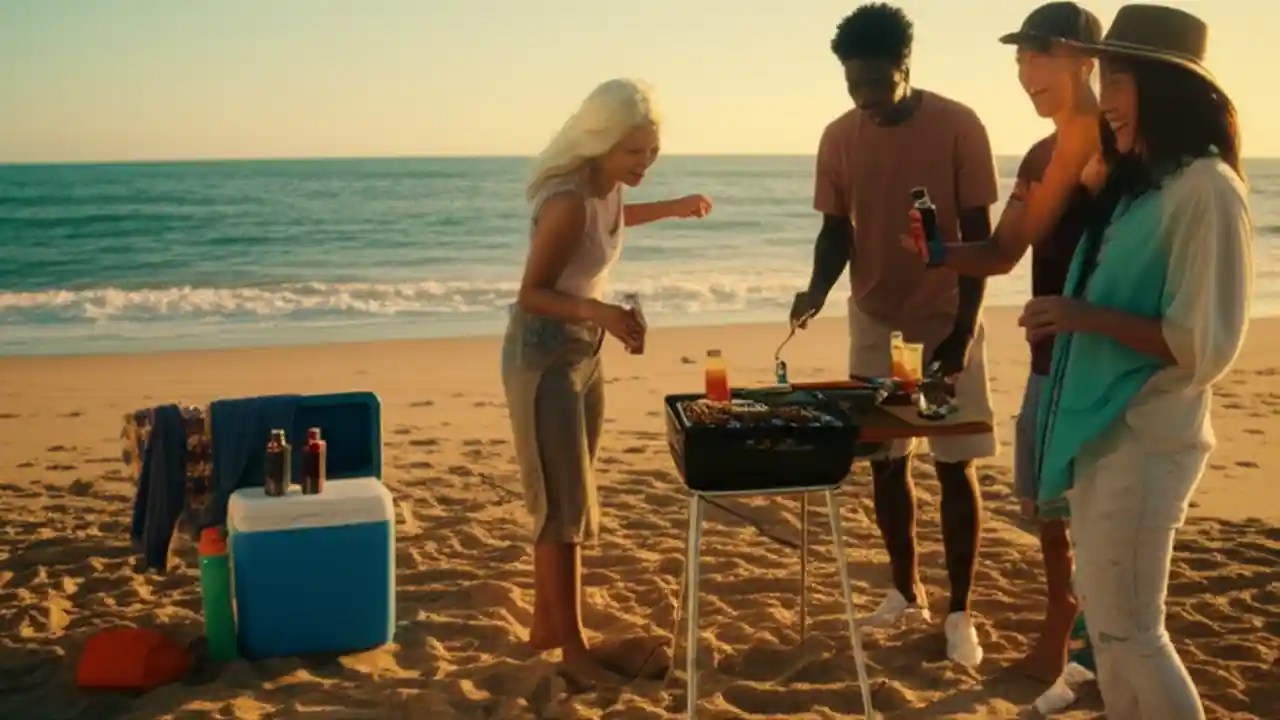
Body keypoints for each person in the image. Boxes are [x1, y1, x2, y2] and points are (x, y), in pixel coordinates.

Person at [1022, 5, 1252, 718]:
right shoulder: (1144, 185)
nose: (1107, 93)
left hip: (1149, 438)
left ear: (1166, 86)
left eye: (1121, 76)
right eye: (1105, 72)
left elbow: (1201, 344)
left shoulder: (1207, 189)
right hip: (1101, 436)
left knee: (1133, 634)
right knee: (1111, 642)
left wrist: (1082, 316)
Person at [791, 2, 999, 667]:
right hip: (875, 313)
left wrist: (963, 332)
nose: (866, 98)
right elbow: (835, 231)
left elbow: (979, 237)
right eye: (854, 85)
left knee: (953, 460)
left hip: (945, 314)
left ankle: (960, 610)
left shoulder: (960, 126)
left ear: (905, 69)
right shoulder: (840, 135)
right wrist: (817, 291)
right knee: (886, 458)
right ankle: (905, 591)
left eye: (877, 84)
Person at [904, 1, 1103, 682]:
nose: (1025, 71)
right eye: (1019, 58)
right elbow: (998, 252)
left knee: (1102, 518)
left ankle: (1080, 644)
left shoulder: (1123, 145)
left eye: (1038, 55)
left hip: (1109, 358)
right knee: (1051, 515)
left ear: (1084, 58)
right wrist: (937, 251)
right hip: (1051, 358)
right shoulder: (1045, 154)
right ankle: (1061, 634)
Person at [502, 78, 712, 684]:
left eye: (651, 151)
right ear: (600, 144)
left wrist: (671, 208)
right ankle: (572, 649)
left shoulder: (606, 187)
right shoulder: (566, 200)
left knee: (570, 495)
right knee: (562, 506)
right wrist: (606, 314)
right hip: (543, 358)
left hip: (581, 353)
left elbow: (613, 219)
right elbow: (532, 294)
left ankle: (547, 624)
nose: (644, 163)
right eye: (633, 153)